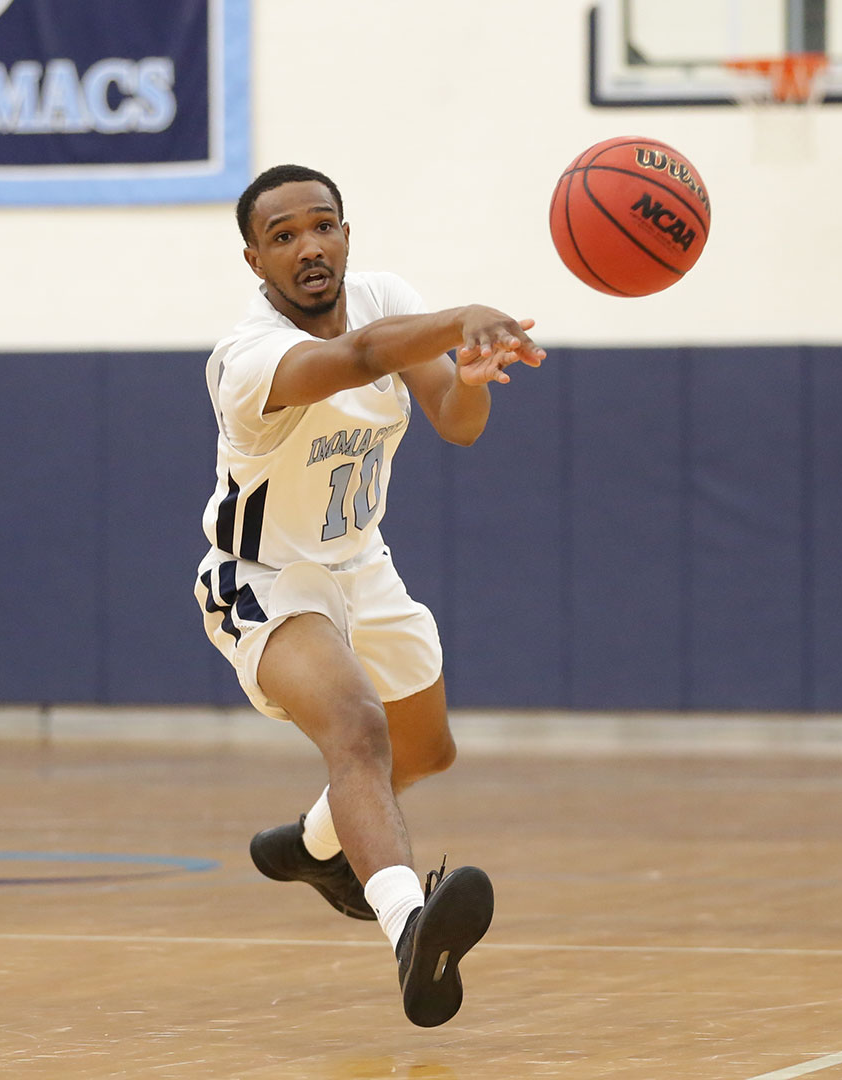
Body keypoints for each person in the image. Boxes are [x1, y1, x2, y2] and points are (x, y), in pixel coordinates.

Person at [195, 164, 545, 1027]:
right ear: (254, 259)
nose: (309, 247)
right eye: (284, 236)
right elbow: (354, 359)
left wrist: (466, 374)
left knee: (424, 755)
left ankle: (314, 849)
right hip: (267, 578)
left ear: (348, 234)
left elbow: (456, 426)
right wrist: (462, 316)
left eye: (324, 226)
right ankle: (407, 930)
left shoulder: (386, 296)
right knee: (358, 731)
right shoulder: (248, 359)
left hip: (363, 564)